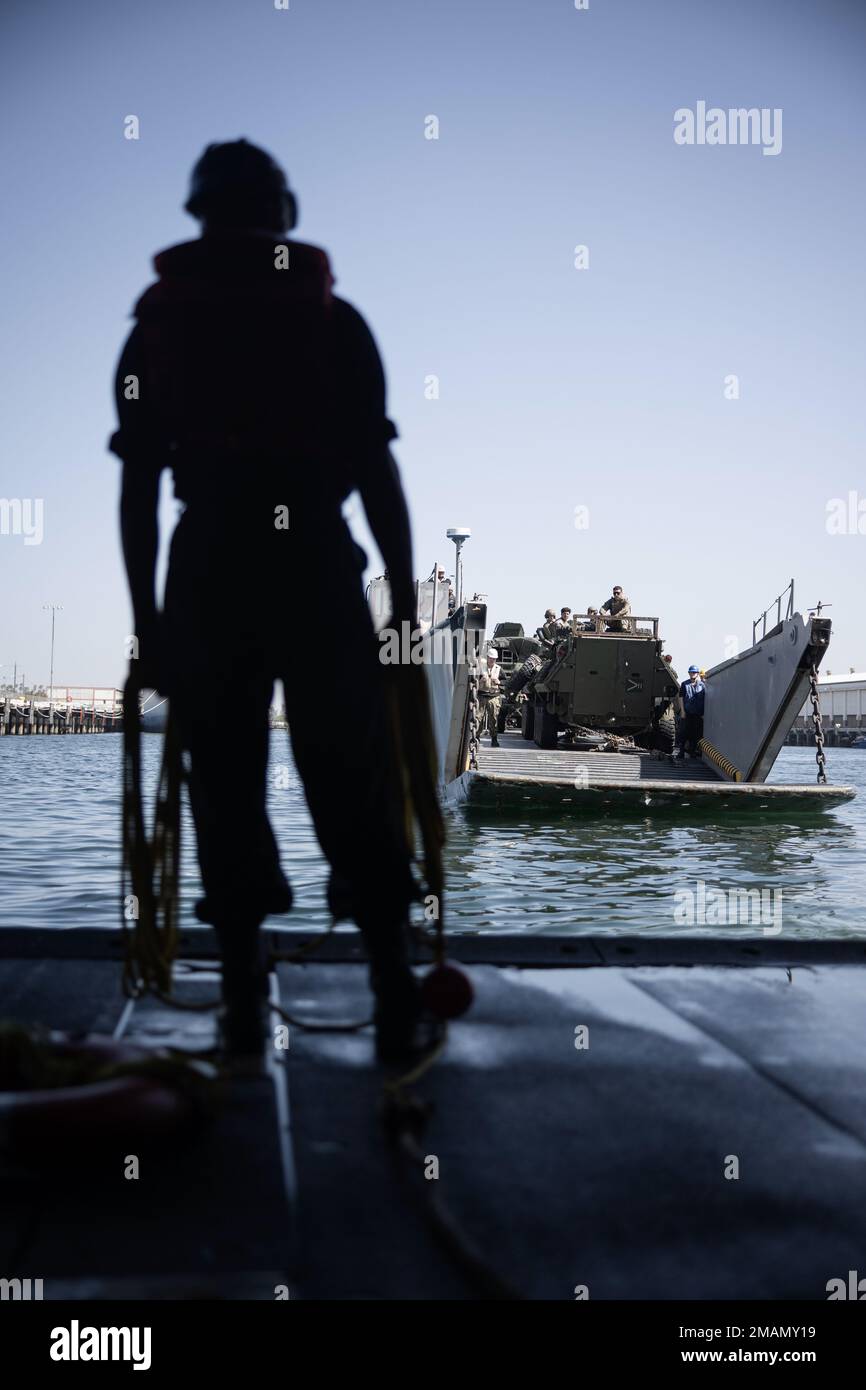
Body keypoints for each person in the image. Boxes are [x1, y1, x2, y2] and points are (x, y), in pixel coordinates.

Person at [111, 139, 433, 1063]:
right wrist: (403, 605)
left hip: (208, 567)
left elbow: (137, 491)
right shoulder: (337, 323)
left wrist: (148, 625)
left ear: (198, 217)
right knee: (353, 776)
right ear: (286, 215)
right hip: (318, 574)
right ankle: (393, 992)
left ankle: (245, 1008)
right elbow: (378, 473)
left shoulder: (157, 328)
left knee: (223, 788)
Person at [674, 665, 706, 759]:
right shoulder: (684, 684)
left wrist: (703, 713)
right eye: (691, 672)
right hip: (687, 713)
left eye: (694, 672)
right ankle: (681, 752)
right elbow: (681, 698)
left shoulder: (702, 685)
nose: (692, 674)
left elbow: (705, 699)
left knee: (695, 734)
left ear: (697, 674)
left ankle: (692, 752)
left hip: (697, 714)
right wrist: (682, 711)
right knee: (683, 733)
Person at [478, 648, 503, 747]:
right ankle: (477, 737)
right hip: (482, 695)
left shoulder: (499, 669)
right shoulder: (480, 668)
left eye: (494, 659)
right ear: (487, 658)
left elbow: (505, 683)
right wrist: (480, 680)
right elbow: (472, 680)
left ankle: (494, 739)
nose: (492, 660)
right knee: (479, 717)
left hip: (493, 696)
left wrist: (499, 682)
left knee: (494, 718)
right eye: (491, 658)